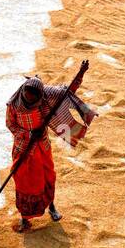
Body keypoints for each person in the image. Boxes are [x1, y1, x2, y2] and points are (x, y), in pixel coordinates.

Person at [5, 59, 88, 232]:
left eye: (33, 100)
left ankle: (51, 207)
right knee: (25, 183)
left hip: (42, 146)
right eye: (28, 98)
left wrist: (80, 74)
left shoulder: (45, 94)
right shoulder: (13, 104)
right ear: (23, 92)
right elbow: (10, 125)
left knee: (48, 176)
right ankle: (25, 218)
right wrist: (28, 134)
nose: (29, 101)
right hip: (23, 149)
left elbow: (67, 93)